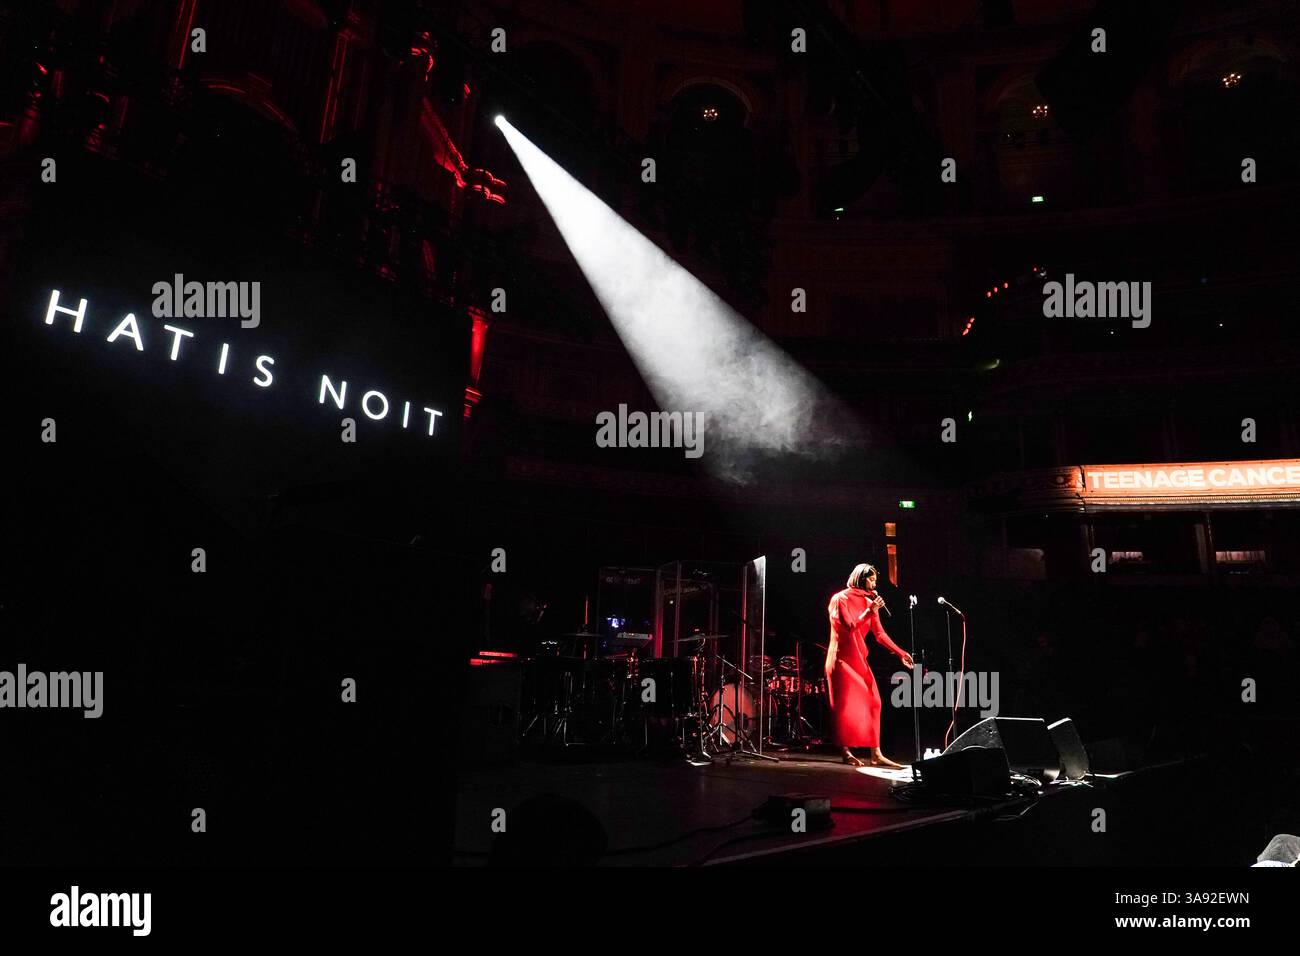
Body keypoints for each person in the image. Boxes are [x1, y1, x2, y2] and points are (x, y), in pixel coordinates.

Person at [825, 563, 913, 767]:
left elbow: (879, 634)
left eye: (875, 580)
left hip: (858, 658)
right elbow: (849, 627)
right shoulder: (840, 599)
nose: (874, 584)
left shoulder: (868, 601)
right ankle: (846, 751)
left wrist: (901, 653)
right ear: (860, 578)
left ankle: (876, 753)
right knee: (844, 705)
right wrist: (869, 610)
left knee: (874, 701)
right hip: (840, 659)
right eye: (871, 579)